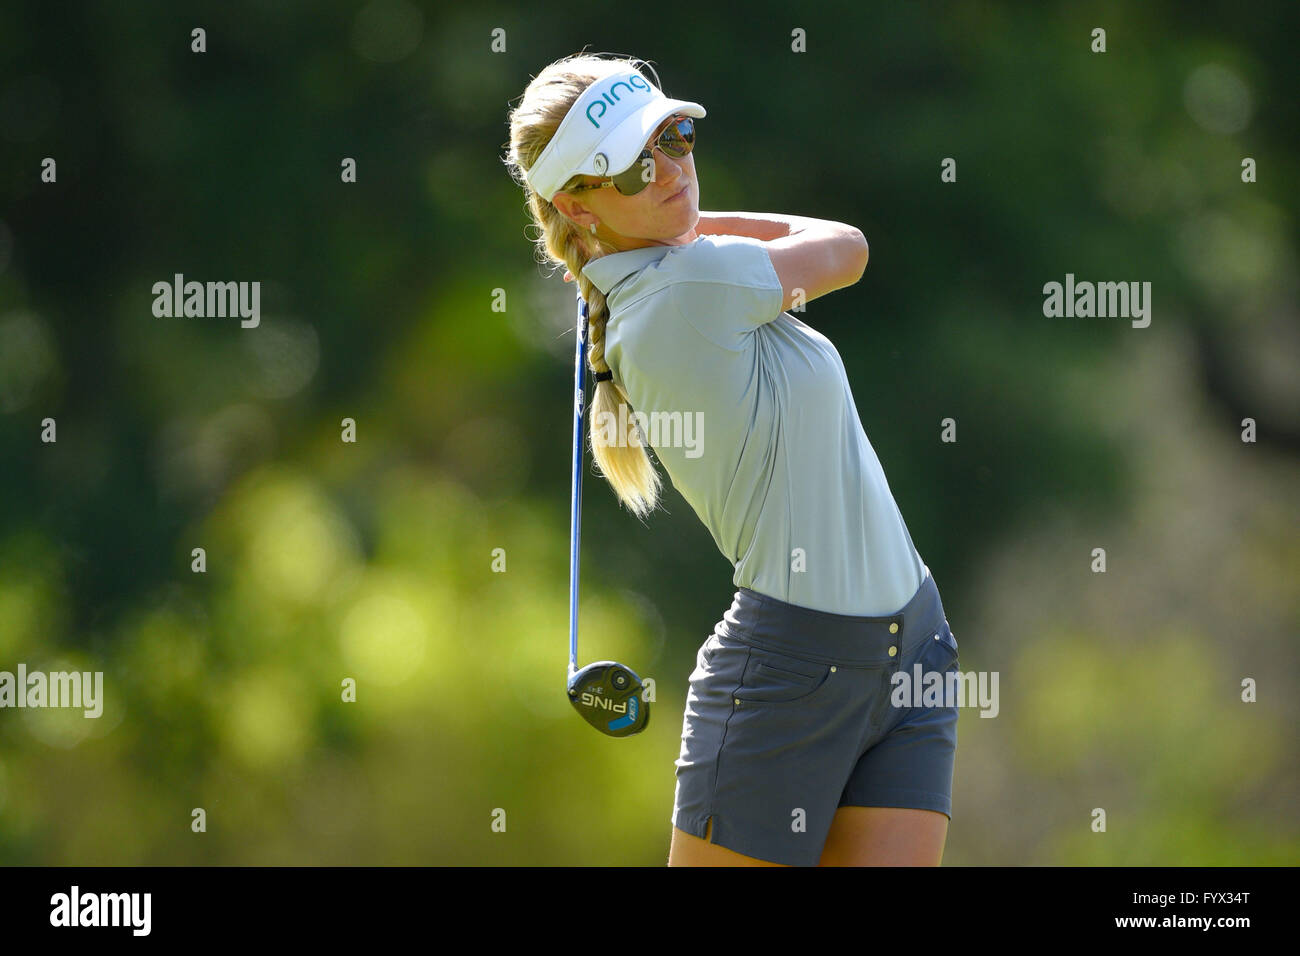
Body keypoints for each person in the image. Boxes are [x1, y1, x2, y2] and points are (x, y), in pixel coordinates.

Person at [503, 52, 960, 866]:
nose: (674, 169)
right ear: (575, 203)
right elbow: (845, 246)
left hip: (911, 645)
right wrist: (694, 226)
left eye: (676, 138)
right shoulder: (688, 285)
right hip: (791, 674)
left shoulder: (677, 279)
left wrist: (671, 218)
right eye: (638, 166)